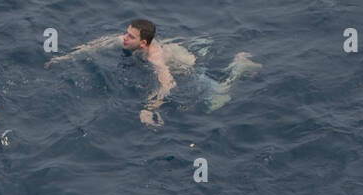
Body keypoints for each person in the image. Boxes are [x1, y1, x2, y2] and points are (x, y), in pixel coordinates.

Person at [47, 19, 258, 125]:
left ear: (143, 43)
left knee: (219, 96)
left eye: (130, 37)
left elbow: (168, 84)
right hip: (177, 52)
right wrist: (64, 58)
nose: (124, 38)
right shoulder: (128, 41)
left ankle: (240, 65)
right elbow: (95, 45)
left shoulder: (155, 59)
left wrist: (149, 108)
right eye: (126, 33)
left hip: (188, 69)